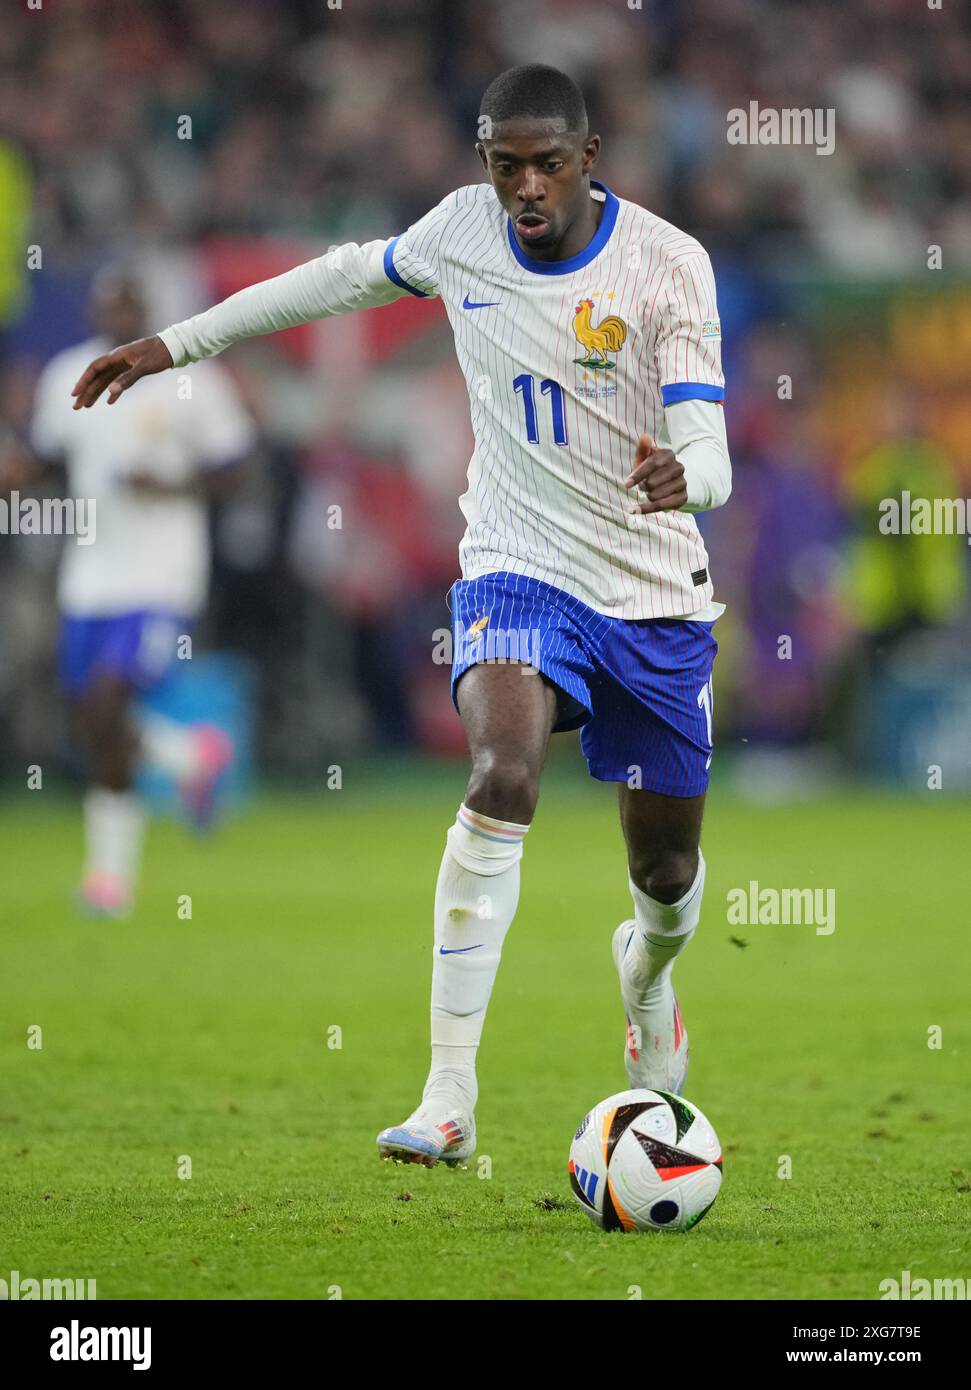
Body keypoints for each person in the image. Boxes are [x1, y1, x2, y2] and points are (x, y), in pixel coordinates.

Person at [70, 66, 732, 1169]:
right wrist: (173, 345)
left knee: (664, 878)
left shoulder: (667, 263)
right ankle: (447, 1095)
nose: (524, 185)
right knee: (501, 773)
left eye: (546, 163)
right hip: (517, 569)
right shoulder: (460, 230)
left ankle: (647, 975)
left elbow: (703, 435)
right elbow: (331, 281)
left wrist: (688, 479)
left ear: (589, 157)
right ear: (482, 161)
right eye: (503, 162)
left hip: (653, 592)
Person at [33, 269, 256, 917]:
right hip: (88, 576)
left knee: (106, 705)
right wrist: (20, 475)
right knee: (91, 722)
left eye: (132, 302)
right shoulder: (65, 375)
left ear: (149, 307)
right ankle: (192, 758)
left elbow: (237, 469)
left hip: (161, 576)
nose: (121, 313)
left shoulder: (190, 377)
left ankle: (108, 882)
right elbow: (51, 456)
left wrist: (173, 487)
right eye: (110, 303)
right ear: (96, 308)